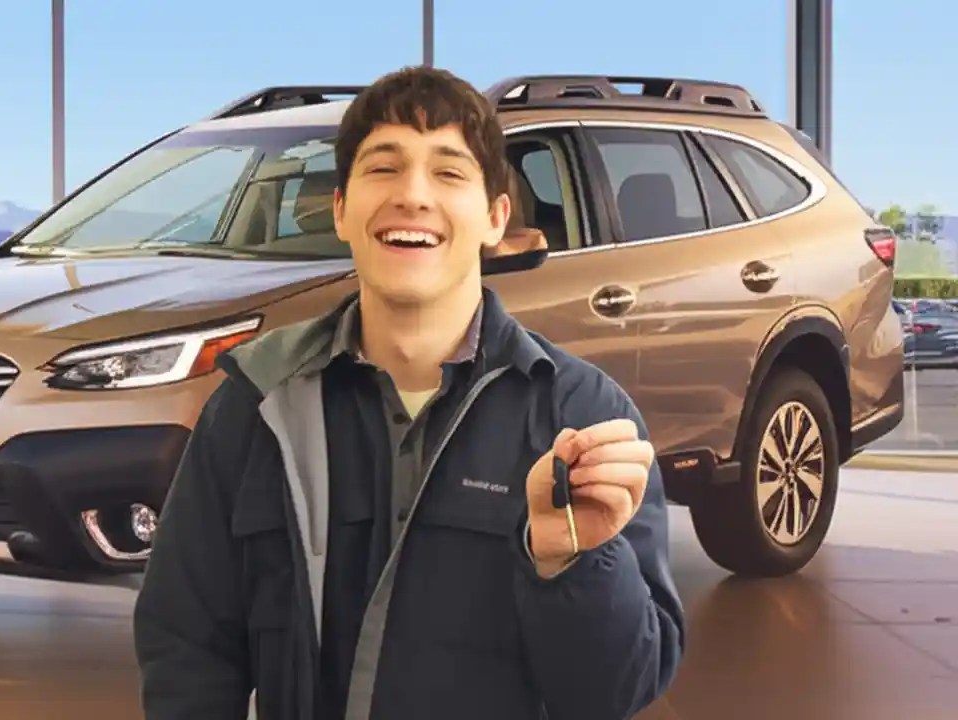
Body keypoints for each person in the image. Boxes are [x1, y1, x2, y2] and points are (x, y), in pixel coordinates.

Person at [132, 65, 686, 720]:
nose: (413, 196)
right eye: (383, 168)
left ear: (494, 219)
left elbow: (614, 692)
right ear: (341, 210)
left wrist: (571, 557)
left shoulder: (582, 416)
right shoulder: (257, 405)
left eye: (448, 172)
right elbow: (187, 646)